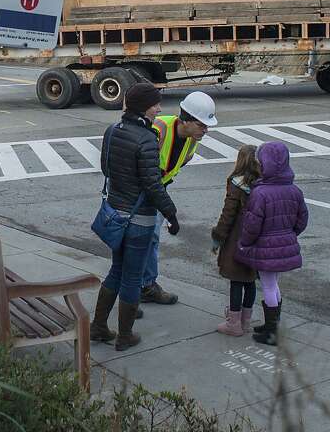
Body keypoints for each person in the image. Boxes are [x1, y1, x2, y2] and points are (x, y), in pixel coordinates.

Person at [89, 83, 179, 352]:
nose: (159, 109)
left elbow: (106, 168)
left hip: (116, 214)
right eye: (155, 104)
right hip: (139, 219)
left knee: (117, 269)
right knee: (132, 276)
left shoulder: (112, 130)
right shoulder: (147, 138)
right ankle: (125, 335)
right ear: (143, 106)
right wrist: (171, 214)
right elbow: (153, 185)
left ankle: (99, 326)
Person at [140, 91, 217, 305]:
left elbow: (173, 168)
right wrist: (168, 210)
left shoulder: (192, 139)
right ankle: (135, 288)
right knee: (137, 241)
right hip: (139, 191)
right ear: (187, 120)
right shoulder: (159, 129)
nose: (206, 130)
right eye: (202, 124)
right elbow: (144, 170)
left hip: (157, 190)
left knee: (151, 239)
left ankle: (145, 285)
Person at [235, 141, 309, 346]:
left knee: (268, 284)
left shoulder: (261, 193)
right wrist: (290, 235)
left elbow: (252, 224)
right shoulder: (294, 190)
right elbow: (302, 219)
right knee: (273, 283)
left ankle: (272, 330)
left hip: (265, 246)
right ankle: (272, 325)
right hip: (284, 242)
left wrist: (245, 243)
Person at [211, 144, 261, 336]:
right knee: (250, 279)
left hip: (237, 238)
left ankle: (234, 323)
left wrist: (217, 238)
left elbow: (228, 214)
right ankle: (246, 321)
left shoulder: (236, 183)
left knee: (236, 280)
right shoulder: (262, 183)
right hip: (255, 237)